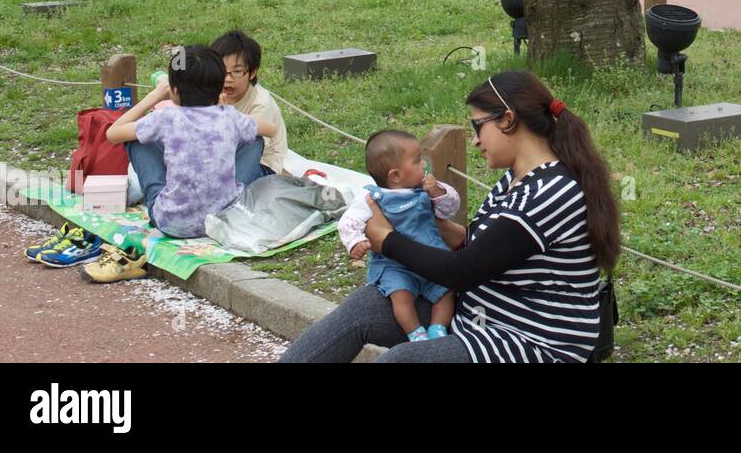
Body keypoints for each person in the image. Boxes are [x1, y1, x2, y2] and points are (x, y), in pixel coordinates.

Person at [281, 71, 620, 363]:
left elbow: (463, 270)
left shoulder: (549, 192)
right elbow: (481, 246)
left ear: (507, 119)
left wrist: (388, 239)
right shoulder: (516, 177)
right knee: (365, 307)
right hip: (481, 317)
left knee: (402, 361)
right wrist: (418, 219)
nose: (474, 141)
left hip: (531, 342)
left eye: (477, 126)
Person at [90, 45, 277, 281]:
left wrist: (155, 96)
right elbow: (270, 129)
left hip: (171, 222)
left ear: (174, 91)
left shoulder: (165, 118)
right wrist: (225, 114)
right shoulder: (230, 117)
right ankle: (235, 192)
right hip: (223, 217)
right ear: (220, 87)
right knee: (254, 138)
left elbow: (113, 133)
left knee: (135, 140)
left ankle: (171, 188)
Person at [337, 130, 461, 341]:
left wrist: (439, 192)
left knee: (447, 291)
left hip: (431, 256)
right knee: (401, 296)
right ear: (395, 175)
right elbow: (348, 222)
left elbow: (450, 209)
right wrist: (355, 241)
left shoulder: (425, 189)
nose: (424, 165)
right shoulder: (371, 197)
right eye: (417, 161)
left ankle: (437, 328)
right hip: (394, 265)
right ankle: (415, 332)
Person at [210, 30, 289, 174]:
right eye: (222, 70)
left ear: (252, 72)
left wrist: (223, 117)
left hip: (262, 165)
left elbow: (250, 147)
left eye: (237, 71)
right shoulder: (212, 92)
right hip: (226, 161)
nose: (228, 79)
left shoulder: (261, 103)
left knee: (252, 140)